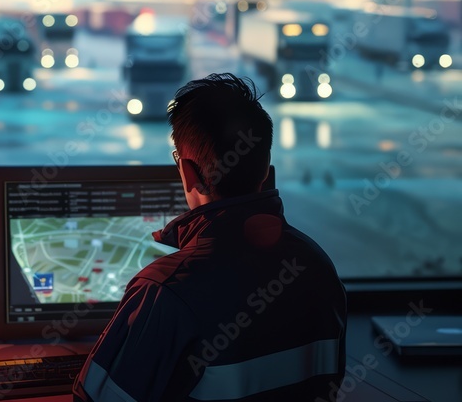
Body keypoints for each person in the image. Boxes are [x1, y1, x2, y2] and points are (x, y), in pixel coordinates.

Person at [74, 73, 346, 402]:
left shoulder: (166, 291)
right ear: (266, 170)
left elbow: (96, 398)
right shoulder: (319, 267)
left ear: (189, 173)